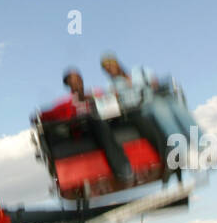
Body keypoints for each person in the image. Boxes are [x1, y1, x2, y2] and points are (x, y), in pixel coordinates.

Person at [101, 52, 178, 183]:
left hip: (149, 105)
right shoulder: (111, 87)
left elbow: (155, 84)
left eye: (110, 66)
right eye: (107, 70)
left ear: (116, 64)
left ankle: (173, 159)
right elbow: (113, 106)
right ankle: (169, 159)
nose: (110, 71)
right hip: (131, 113)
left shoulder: (138, 72)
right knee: (139, 118)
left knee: (155, 114)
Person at [64, 67, 134, 184]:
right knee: (95, 120)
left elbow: (109, 102)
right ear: (68, 84)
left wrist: (110, 98)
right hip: (86, 126)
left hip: (105, 120)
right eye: (73, 80)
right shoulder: (67, 103)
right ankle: (123, 170)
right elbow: (53, 114)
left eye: (78, 78)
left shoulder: (95, 92)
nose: (78, 81)